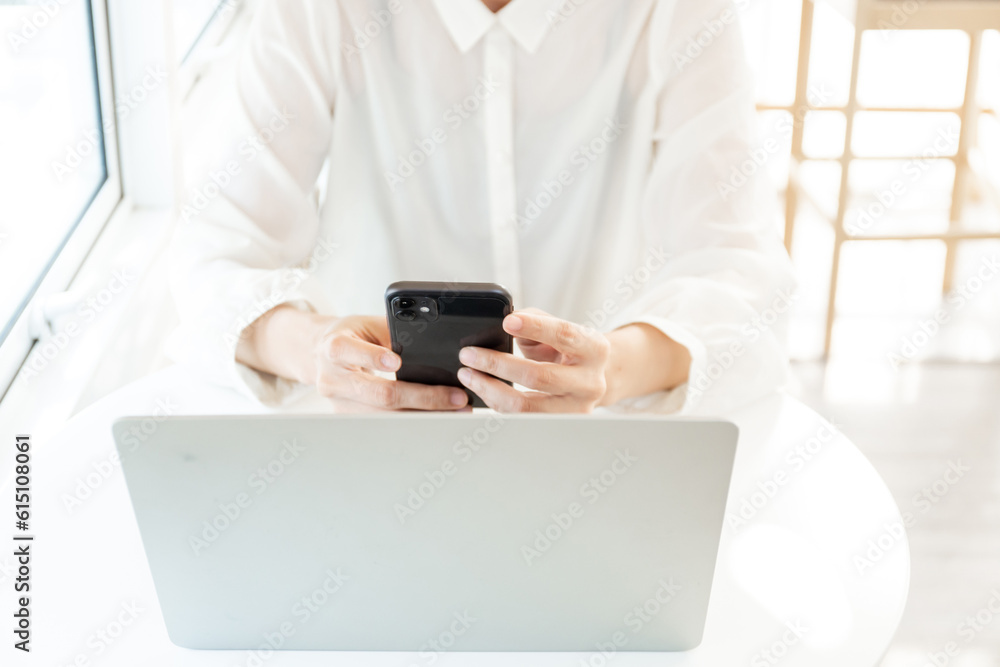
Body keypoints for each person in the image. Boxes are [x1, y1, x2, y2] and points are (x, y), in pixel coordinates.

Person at [167, 0, 795, 414]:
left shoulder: (677, 11)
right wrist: (315, 349)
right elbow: (210, 261)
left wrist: (614, 368)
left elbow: (741, 278)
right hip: (368, 448)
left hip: (606, 448)